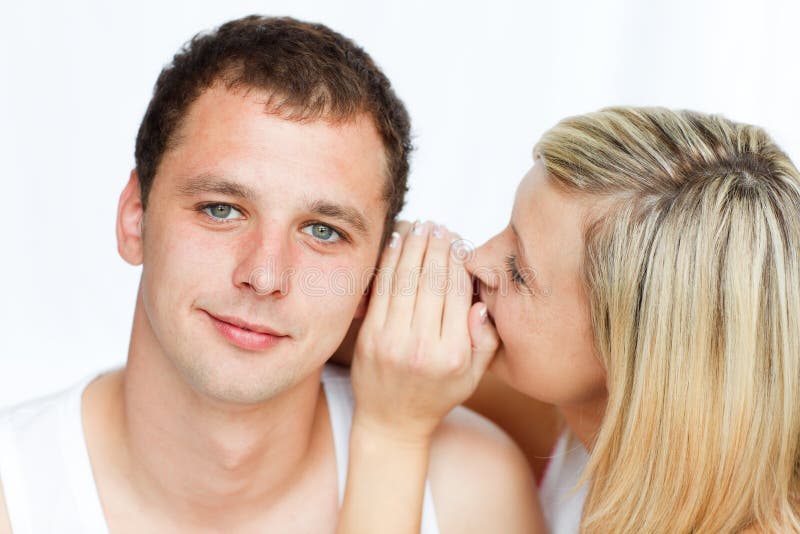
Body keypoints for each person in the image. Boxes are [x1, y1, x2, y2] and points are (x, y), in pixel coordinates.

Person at [0, 15, 543, 533]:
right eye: (221, 209)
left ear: (371, 279)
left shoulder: (472, 496)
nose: (263, 276)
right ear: (135, 219)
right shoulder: (14, 492)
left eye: (324, 231)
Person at [337, 107, 800, 533]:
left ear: (630, 354)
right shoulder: (565, 412)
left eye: (518, 272)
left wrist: (391, 433)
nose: (477, 259)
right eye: (507, 230)